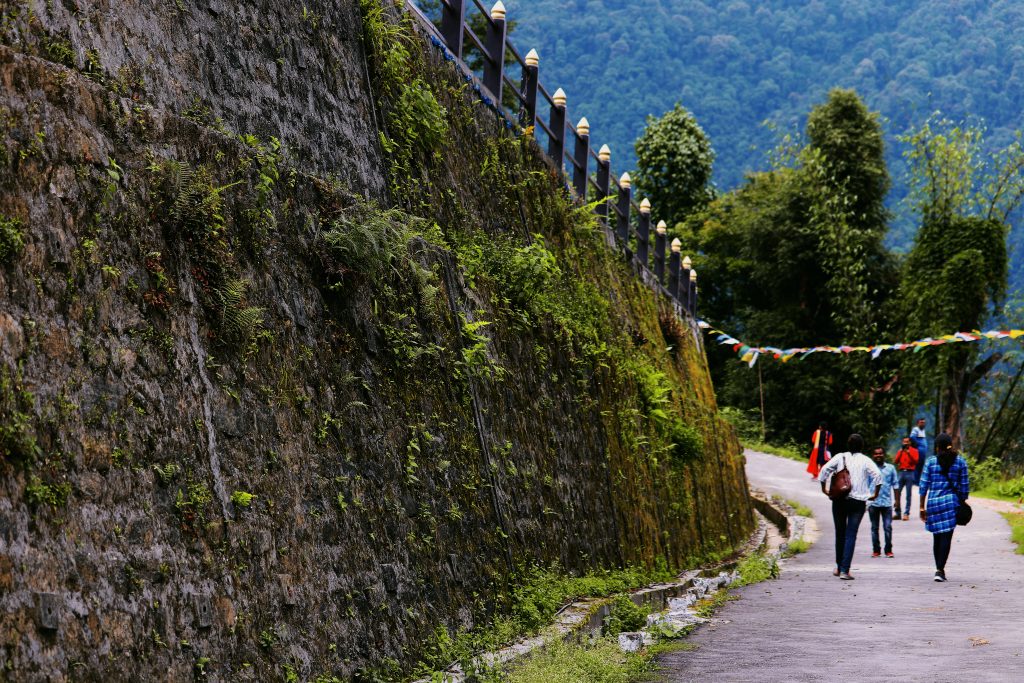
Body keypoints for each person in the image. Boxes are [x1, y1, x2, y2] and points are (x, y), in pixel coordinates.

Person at [818, 433, 882, 580]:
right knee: (851, 535)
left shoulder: (840, 457)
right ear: (862, 446)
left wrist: (824, 490)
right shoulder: (866, 460)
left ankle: (839, 566)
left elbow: (823, 471)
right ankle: (845, 571)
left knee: (839, 533)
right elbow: (878, 476)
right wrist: (874, 494)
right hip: (857, 503)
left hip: (839, 500)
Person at [919, 433, 970, 582]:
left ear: (937, 447)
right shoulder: (960, 462)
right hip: (951, 504)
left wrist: (922, 507)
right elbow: (965, 490)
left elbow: (923, 486)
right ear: (951, 445)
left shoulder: (931, 462)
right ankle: (940, 570)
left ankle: (938, 568)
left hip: (933, 503)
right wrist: (961, 502)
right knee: (946, 537)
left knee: (937, 537)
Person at [868, 446, 899, 557]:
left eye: (880, 453)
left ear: (883, 455)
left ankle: (888, 550)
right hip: (873, 503)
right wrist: (865, 501)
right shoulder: (870, 469)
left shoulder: (890, 468)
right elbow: (866, 486)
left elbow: (895, 485)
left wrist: (897, 501)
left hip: (887, 503)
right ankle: (876, 550)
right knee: (874, 528)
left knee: (888, 527)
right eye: (876, 454)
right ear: (873, 455)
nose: (878, 456)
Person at [892, 436, 920, 521]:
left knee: (908, 494)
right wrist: (901, 452)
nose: (905, 443)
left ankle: (906, 513)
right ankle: (898, 513)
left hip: (910, 473)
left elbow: (916, 461)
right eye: (904, 442)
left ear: (910, 443)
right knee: (897, 493)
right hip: (901, 473)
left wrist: (908, 453)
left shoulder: (914, 451)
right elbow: (895, 461)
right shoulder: (900, 451)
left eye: (907, 442)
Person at [910, 418, 928, 484]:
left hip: (923, 451)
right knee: (917, 465)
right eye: (921, 422)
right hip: (919, 450)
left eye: (923, 422)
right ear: (918, 423)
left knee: (921, 466)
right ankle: (914, 481)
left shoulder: (923, 430)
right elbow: (912, 437)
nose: (923, 424)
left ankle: (917, 480)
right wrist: (918, 444)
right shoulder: (916, 429)